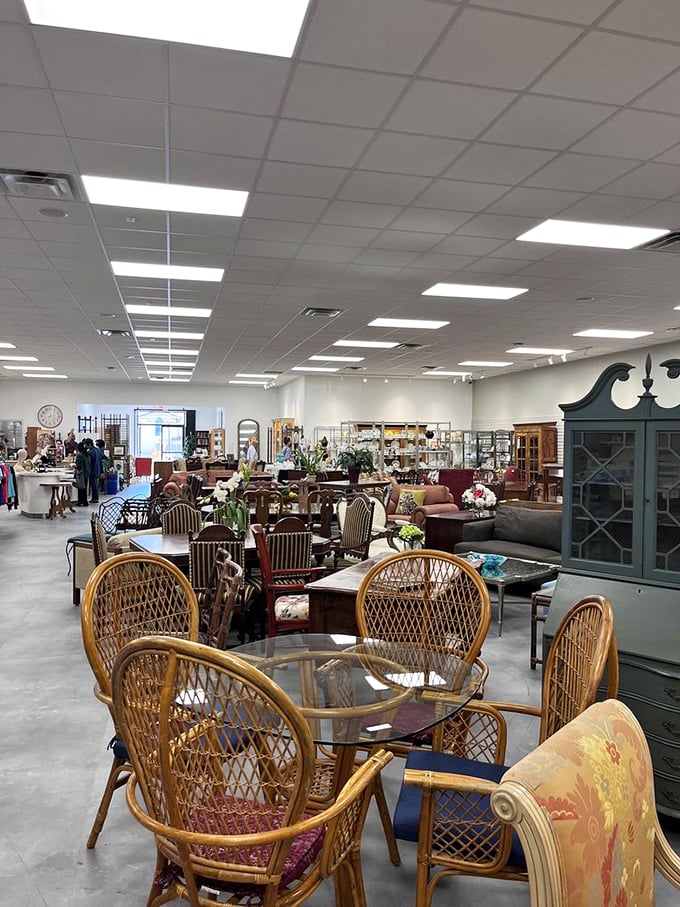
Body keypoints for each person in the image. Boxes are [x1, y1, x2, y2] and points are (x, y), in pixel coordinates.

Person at [85, 438, 103, 504]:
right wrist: (101, 471)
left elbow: (89, 462)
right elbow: (100, 460)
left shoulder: (90, 452)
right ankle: (95, 497)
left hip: (92, 470)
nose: (86, 447)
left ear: (89, 444)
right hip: (97, 470)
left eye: (87, 445)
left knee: (93, 485)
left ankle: (95, 498)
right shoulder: (98, 450)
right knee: (96, 484)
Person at [74, 441, 90, 507]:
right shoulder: (87, 454)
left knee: (80, 488)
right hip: (86, 473)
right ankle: (84, 501)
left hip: (81, 474)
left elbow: (79, 465)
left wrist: (74, 466)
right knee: (84, 487)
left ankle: (80, 501)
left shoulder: (80, 455)